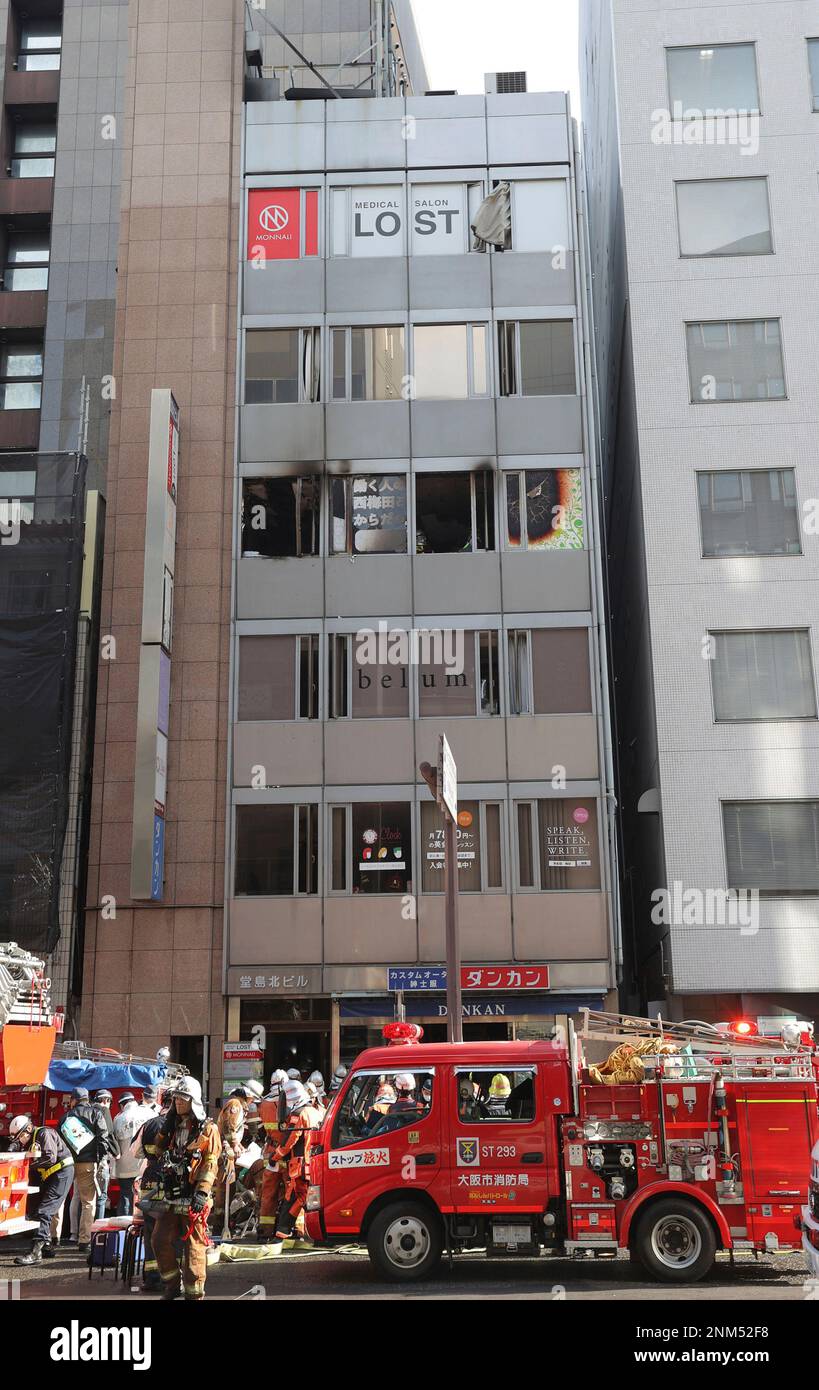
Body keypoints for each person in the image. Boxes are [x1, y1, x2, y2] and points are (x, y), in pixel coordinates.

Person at [150, 1076, 222, 1300]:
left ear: (194, 1101)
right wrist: (165, 1128)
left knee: (194, 1247)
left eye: (183, 1099)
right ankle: (172, 1285)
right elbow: (156, 1153)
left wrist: (202, 1192)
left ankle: (194, 1293)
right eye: (176, 1099)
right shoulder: (172, 1126)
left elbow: (210, 1163)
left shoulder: (207, 1129)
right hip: (172, 1194)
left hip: (193, 1196)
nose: (178, 1103)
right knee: (159, 1239)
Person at [10, 1114, 74, 1265]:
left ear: (29, 1129)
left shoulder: (44, 1134)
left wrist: (28, 1165)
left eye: (21, 1136)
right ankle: (46, 1246)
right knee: (36, 1207)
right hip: (50, 1175)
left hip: (62, 1173)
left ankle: (35, 1252)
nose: (20, 1140)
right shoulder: (30, 1139)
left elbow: (49, 1158)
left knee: (45, 1210)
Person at [62, 1087, 116, 1252]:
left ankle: (53, 1238)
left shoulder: (66, 1116)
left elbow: (59, 1140)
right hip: (88, 1163)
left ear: (73, 1100)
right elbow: (103, 1137)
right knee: (88, 1202)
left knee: (62, 1200)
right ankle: (84, 1240)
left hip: (67, 1162)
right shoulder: (96, 1114)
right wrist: (99, 1159)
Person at [212, 1080, 264, 1232]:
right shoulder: (235, 1104)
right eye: (252, 1098)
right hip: (225, 1154)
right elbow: (228, 1127)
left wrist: (238, 1145)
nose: (252, 1102)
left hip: (227, 1153)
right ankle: (219, 1227)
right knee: (225, 1190)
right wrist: (234, 1144)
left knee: (230, 1188)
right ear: (247, 1095)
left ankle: (224, 1225)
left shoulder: (237, 1105)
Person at [272, 1080, 316, 1244]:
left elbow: (290, 1140)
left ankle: (281, 1233)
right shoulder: (315, 1111)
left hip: (300, 1163)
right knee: (307, 1199)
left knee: (294, 1197)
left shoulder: (299, 1114)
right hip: (314, 1161)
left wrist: (275, 1156)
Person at [257, 1070, 288, 1242]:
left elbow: (260, 1129)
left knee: (268, 1192)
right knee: (290, 1191)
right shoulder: (287, 1100)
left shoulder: (264, 1103)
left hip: (270, 1152)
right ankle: (290, 1230)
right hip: (285, 1152)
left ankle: (264, 1231)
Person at [113, 1091, 154, 1216]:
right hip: (143, 1164)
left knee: (125, 1196)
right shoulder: (148, 1113)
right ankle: (141, 1227)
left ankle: (124, 1230)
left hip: (124, 1167)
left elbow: (114, 1141)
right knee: (145, 1197)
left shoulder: (118, 1118)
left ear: (122, 1105)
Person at [93, 1089, 120, 1219]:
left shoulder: (88, 1110)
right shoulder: (104, 1111)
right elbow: (108, 1134)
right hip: (100, 1160)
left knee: (84, 1198)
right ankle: (98, 1229)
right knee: (101, 1196)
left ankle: (77, 1233)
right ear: (106, 1100)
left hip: (82, 1160)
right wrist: (116, 1152)